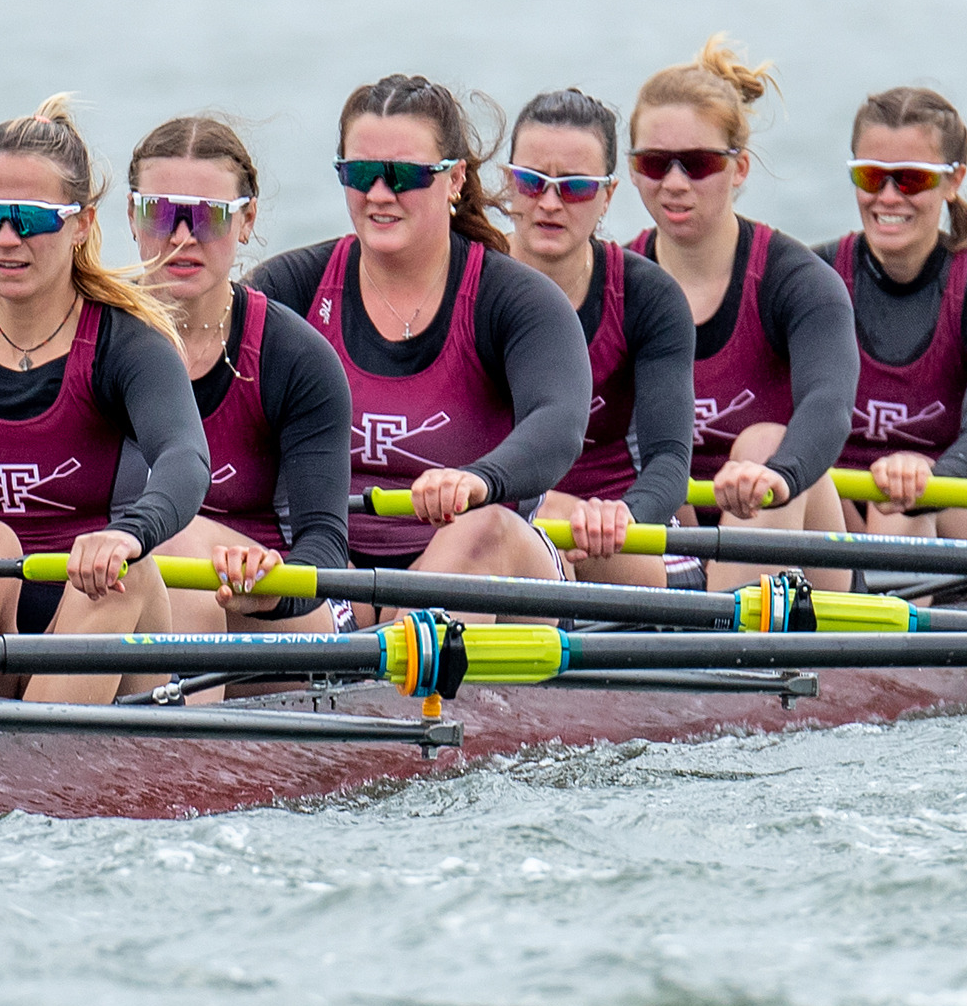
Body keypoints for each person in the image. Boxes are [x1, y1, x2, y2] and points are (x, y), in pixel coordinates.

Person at [0, 95, 209, 705]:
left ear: (83, 222)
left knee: (127, 572)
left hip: (101, 630)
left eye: (31, 218)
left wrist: (129, 535)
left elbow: (184, 461)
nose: (6, 239)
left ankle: (17, 769)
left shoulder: (128, 346)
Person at [248, 74, 590, 620]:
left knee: (480, 530)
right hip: (336, 571)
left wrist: (479, 479)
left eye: (403, 176)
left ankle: (389, 672)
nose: (379, 194)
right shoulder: (291, 290)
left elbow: (559, 424)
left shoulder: (515, 300)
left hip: (486, 559)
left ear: (454, 179)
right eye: (360, 174)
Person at [627, 36, 857, 592]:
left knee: (762, 442)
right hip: (668, 536)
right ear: (631, 171)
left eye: (699, 164)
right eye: (655, 163)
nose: (675, 183)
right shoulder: (616, 280)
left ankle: (723, 660)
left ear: (740, 169)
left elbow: (828, 408)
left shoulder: (796, 283)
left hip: (792, 522)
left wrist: (777, 476)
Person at [124, 116, 351, 650]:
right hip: (128, 593)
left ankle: (175, 730)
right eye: (160, 214)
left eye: (207, 217)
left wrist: (269, 587)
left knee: (180, 537)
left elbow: (325, 546)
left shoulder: (294, 358)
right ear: (131, 219)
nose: (181, 237)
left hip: (286, 610)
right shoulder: (89, 342)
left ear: (246, 220)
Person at [815, 87, 967, 541]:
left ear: (953, 181)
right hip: (836, 503)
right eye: (872, 177)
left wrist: (922, 479)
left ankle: (881, 604)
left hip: (953, 502)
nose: (889, 197)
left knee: (900, 503)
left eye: (911, 179)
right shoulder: (813, 277)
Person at [507, 88, 695, 588]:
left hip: (616, 535)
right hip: (494, 521)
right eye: (531, 182)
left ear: (608, 196)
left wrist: (622, 517)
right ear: (508, 184)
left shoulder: (647, 296)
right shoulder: (464, 281)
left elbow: (670, 461)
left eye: (574, 188)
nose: (549, 203)